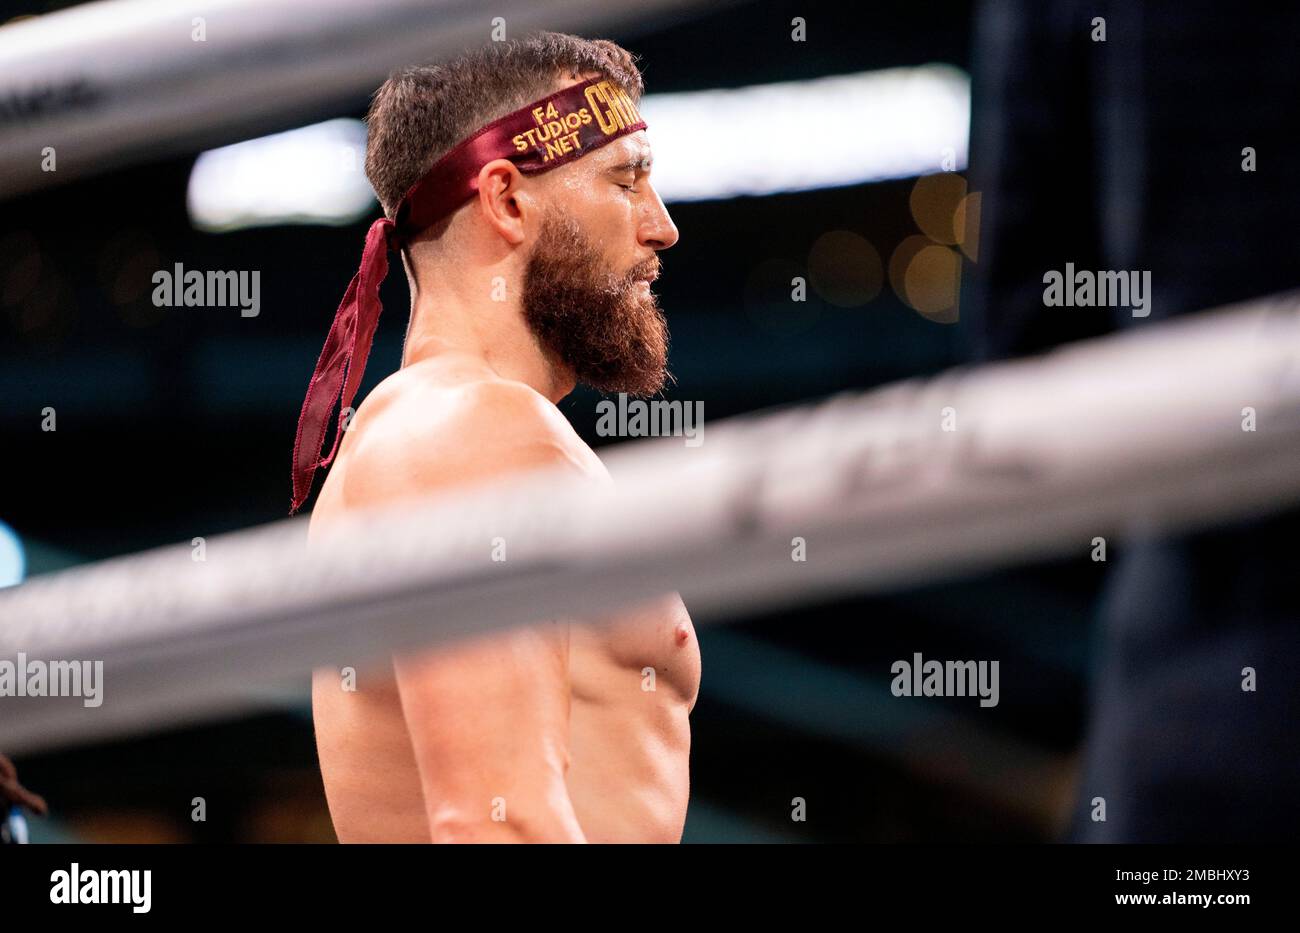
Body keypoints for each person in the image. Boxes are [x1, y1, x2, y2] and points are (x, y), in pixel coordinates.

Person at [296, 33, 699, 843]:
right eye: (627, 179)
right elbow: (498, 824)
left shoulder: (425, 426)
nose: (663, 228)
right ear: (507, 200)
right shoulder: (470, 431)